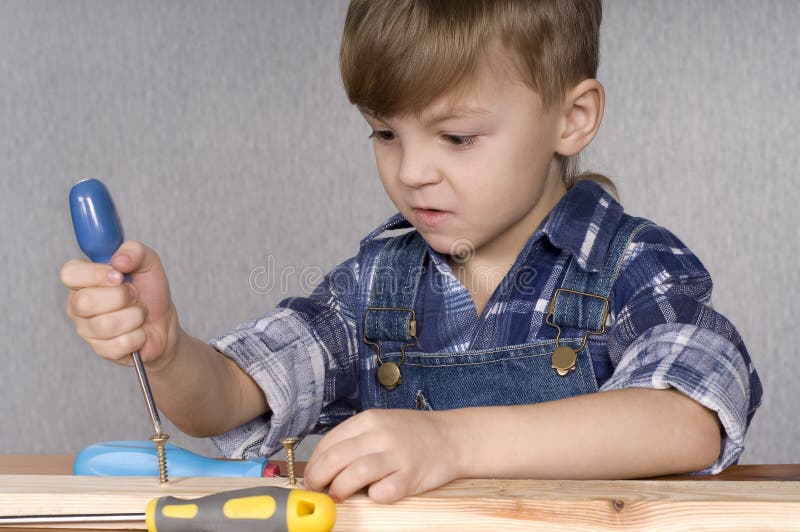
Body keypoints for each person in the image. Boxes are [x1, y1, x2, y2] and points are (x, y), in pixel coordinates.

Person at [61, 0, 762, 504]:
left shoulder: (627, 267)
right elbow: (230, 397)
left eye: (455, 137)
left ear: (571, 118)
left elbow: (689, 417)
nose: (412, 171)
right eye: (384, 133)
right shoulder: (377, 286)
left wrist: (450, 445)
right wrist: (168, 350)